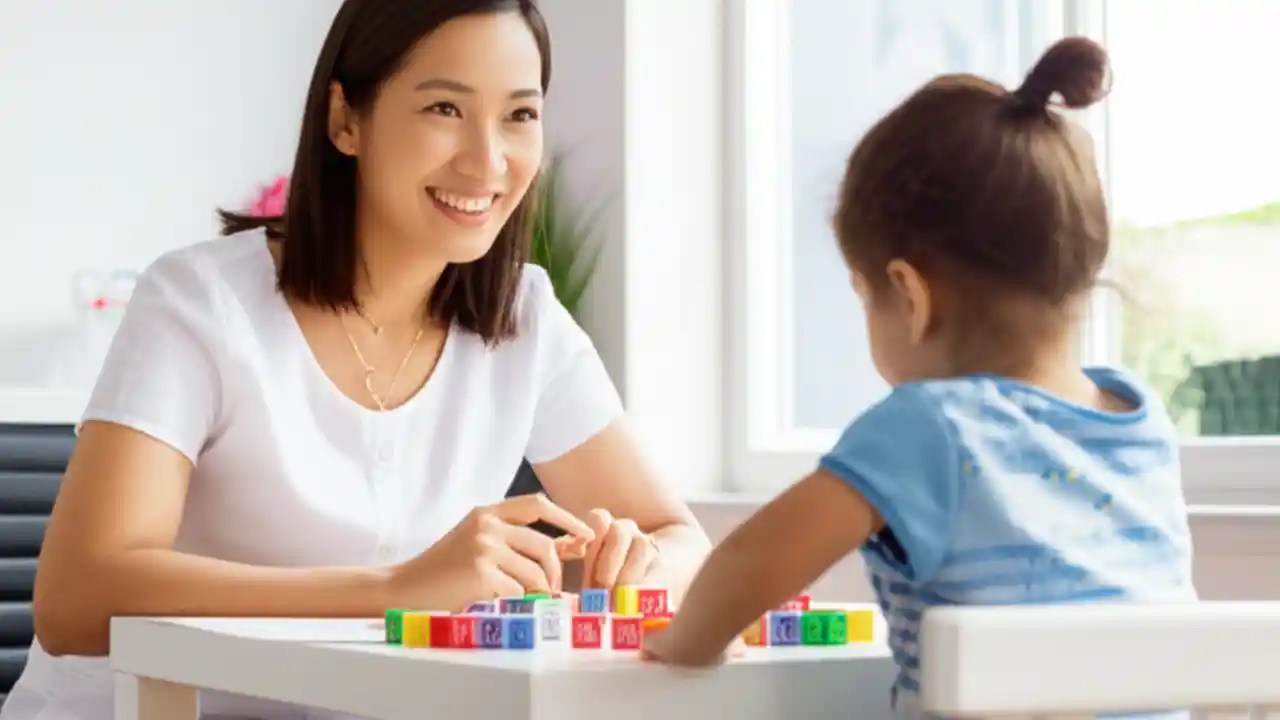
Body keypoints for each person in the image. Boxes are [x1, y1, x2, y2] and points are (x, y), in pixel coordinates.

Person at [4, 1, 710, 718]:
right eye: (444, 107)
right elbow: (78, 598)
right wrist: (393, 590)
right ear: (346, 120)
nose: (488, 160)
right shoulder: (201, 301)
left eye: (519, 115)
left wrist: (643, 566)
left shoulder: (524, 319)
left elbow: (681, 537)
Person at [641, 36, 1196, 719]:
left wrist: (685, 642)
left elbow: (750, 563)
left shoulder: (932, 425)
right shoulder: (1140, 423)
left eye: (861, 294)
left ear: (910, 295)